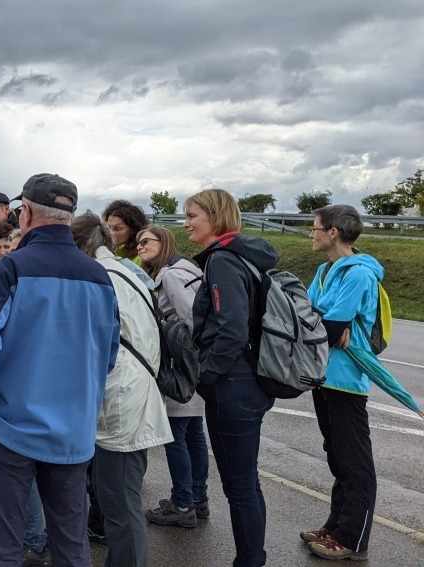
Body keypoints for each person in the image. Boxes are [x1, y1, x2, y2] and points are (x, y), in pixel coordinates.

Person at [0, 173, 120, 566]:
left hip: (11, 428)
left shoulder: (10, 269)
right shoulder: (100, 276)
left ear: (25, 213)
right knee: (70, 540)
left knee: (3, 542)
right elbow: (108, 355)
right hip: (74, 435)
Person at [70, 212, 173, 567]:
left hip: (122, 401)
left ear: (82, 246)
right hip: (128, 395)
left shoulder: (100, 277)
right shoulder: (123, 273)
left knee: (120, 505)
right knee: (115, 499)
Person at [186, 188, 278, 567]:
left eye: (193, 215)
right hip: (250, 379)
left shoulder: (222, 260)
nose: (187, 222)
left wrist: (204, 376)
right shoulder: (242, 255)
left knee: (240, 486)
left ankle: (250, 561)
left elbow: (232, 331)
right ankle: (252, 558)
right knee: (245, 483)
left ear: (215, 217)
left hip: (233, 385)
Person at [303, 205, 382, 561]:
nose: (312, 233)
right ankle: (336, 526)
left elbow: (328, 328)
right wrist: (324, 324)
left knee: (354, 462)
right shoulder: (324, 270)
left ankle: (353, 540)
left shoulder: (360, 275)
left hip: (346, 379)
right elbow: (303, 320)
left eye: (315, 228)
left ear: (333, 231)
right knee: (337, 456)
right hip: (322, 374)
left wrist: (324, 324)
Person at [137, 226, 211, 528]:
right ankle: (197, 498)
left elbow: (189, 320)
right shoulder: (188, 269)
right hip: (196, 364)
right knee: (194, 433)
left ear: (163, 242)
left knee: (176, 436)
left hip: (180, 364)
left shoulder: (170, 275)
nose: (140, 246)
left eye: (146, 241)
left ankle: (182, 503)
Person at [102, 199, 149, 265]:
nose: (111, 233)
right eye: (109, 228)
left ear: (133, 229)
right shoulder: (107, 251)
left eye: (117, 229)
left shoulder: (142, 256)